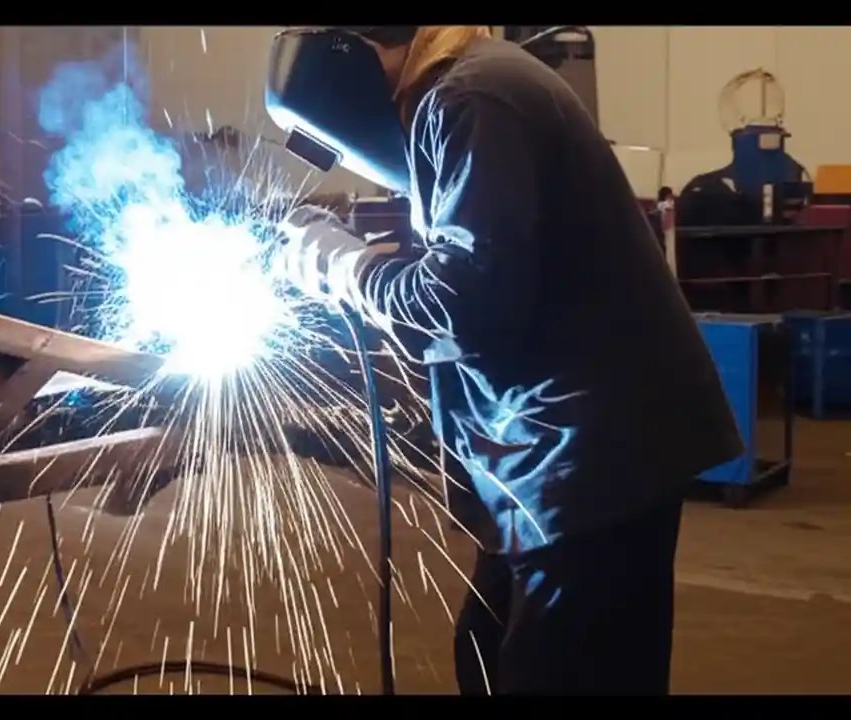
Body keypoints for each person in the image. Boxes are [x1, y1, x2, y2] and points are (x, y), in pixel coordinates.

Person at [267, 26, 743, 695]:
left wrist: (338, 264)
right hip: (567, 445)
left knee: (561, 673)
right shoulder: (465, 84)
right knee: (488, 649)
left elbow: (465, 304)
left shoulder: (470, 100)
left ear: (352, 58)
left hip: (597, 458)